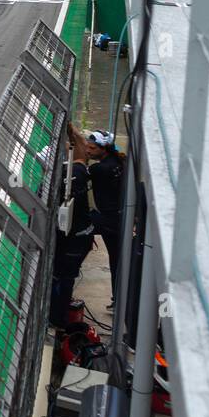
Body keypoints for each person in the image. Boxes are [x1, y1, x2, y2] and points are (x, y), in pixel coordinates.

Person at [71, 125, 126, 310]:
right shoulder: (117, 162)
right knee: (116, 260)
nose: (88, 150)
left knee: (77, 231)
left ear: (104, 149)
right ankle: (119, 299)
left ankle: (70, 270)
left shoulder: (100, 169)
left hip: (110, 220)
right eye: (87, 146)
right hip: (117, 219)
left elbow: (79, 164)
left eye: (92, 148)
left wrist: (76, 138)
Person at [50, 129, 96, 328]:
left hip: (73, 240)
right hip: (82, 236)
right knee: (65, 276)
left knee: (61, 278)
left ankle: (57, 319)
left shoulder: (70, 176)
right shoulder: (79, 171)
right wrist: (71, 128)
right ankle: (58, 315)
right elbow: (80, 147)